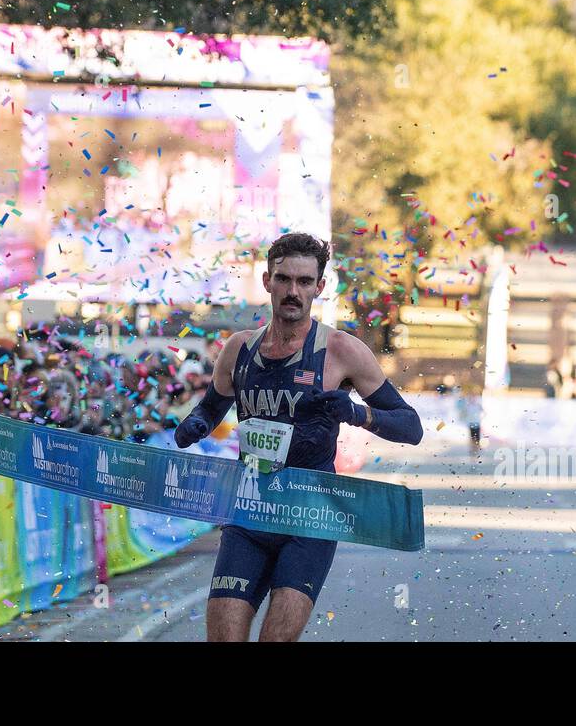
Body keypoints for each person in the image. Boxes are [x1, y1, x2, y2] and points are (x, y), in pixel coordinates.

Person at [173, 231, 423, 642]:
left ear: (319, 288)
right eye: (284, 279)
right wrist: (194, 425)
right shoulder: (239, 349)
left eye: (304, 282)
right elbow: (210, 408)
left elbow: (409, 426)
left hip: (309, 518)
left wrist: (358, 413)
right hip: (250, 513)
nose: (293, 291)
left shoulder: (341, 350)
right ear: (267, 281)